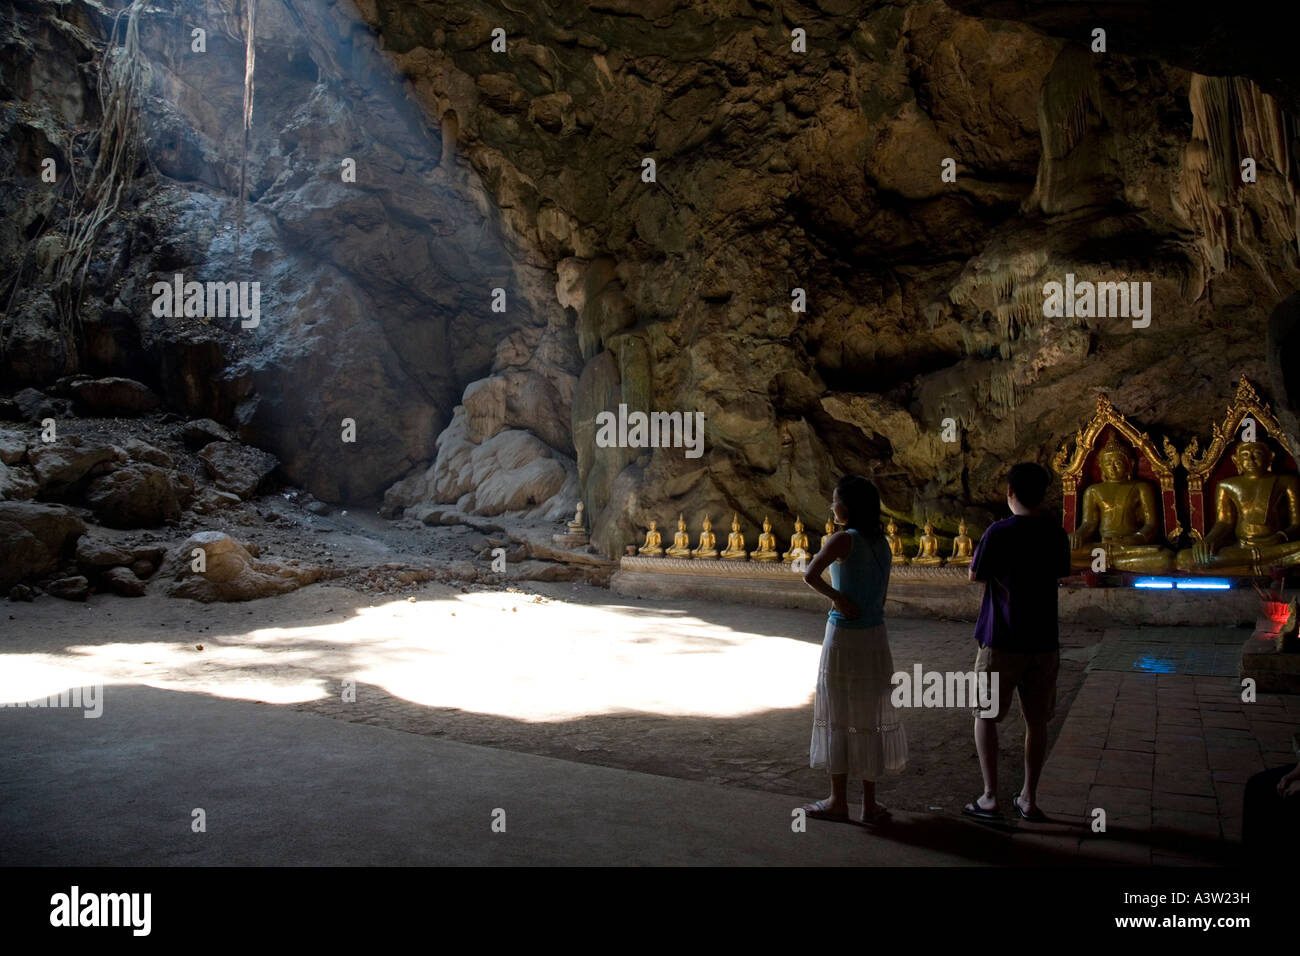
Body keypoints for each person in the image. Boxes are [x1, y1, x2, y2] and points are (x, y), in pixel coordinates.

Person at [963, 462, 1071, 823]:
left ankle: (990, 796)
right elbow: (1060, 572)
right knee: (1037, 721)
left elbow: (975, 574)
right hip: (1043, 640)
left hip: (1001, 638)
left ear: (1010, 492)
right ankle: (1029, 797)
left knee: (986, 715)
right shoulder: (1055, 533)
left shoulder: (998, 532)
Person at [800, 475, 907, 825]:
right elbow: (883, 594)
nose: (832, 506)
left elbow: (810, 575)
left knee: (839, 715)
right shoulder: (882, 542)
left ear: (848, 507)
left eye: (835, 500)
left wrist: (838, 598)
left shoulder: (843, 539)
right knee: (868, 714)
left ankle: (838, 800)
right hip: (875, 636)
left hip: (844, 638)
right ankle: (870, 804)